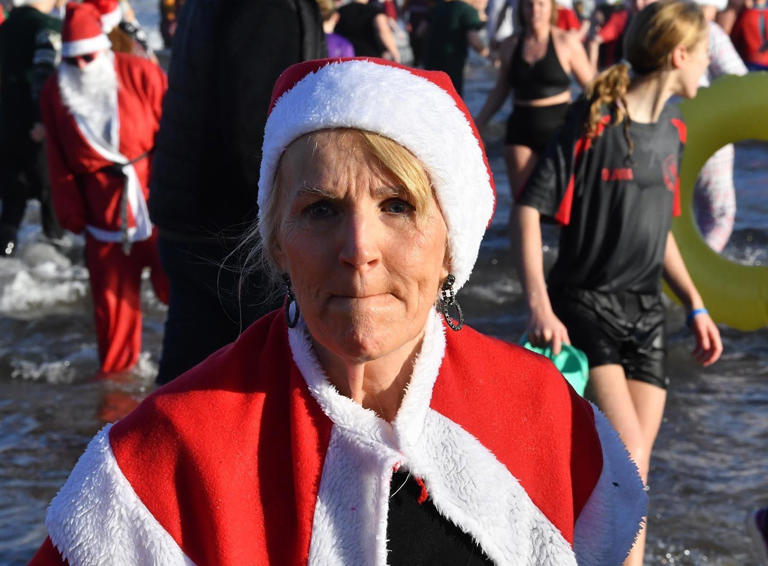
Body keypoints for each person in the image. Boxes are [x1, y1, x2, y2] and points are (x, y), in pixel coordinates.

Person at [29, 57, 647, 565]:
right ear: (276, 241)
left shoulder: (542, 413)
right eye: (321, 209)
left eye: (398, 206)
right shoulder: (164, 455)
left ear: (451, 243)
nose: (358, 250)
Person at [513, 2, 723, 564]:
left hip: (646, 315)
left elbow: (662, 233)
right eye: (704, 54)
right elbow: (528, 208)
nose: (708, 65)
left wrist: (696, 305)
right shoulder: (593, 122)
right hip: (584, 307)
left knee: (637, 472)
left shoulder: (673, 133)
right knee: (627, 457)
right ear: (680, 55)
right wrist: (539, 302)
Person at [148, 0, 327, 385]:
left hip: (195, 213)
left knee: (189, 384)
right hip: (234, 230)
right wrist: (288, 224)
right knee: (262, 389)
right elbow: (254, 131)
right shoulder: (268, 8)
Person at [39, 2, 168, 376]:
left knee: (190, 311)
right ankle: (114, 413)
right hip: (103, 223)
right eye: (71, 60)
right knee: (113, 330)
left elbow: (177, 142)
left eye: (88, 57)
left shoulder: (142, 74)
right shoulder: (54, 91)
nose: (80, 67)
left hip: (155, 209)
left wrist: (181, 205)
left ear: (104, 47)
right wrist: (71, 216)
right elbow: (57, 160)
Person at [474, 0, 593, 208]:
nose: (535, 11)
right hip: (520, 131)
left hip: (559, 133)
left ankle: (553, 241)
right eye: (529, 5)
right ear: (521, 8)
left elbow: (593, 88)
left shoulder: (566, 42)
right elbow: (501, 89)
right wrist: (478, 124)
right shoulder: (510, 45)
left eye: (541, 4)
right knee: (524, 204)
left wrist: (602, 122)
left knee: (563, 205)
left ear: (551, 8)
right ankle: (524, 241)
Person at [0, 0, 65, 257]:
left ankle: (5, 260)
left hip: (6, 125)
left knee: (11, 205)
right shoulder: (47, 27)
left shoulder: (5, 27)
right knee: (51, 200)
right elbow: (45, 74)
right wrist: (43, 119)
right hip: (37, 129)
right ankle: (58, 269)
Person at [692, 0, 746, 252]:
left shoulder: (661, 28)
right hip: (706, 133)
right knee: (719, 215)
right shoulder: (709, 32)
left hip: (663, 134)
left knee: (672, 212)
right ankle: (698, 275)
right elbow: (739, 81)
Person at [423, 0, 489, 95]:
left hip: (430, 61)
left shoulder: (438, 6)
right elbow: (474, 41)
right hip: (452, 65)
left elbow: (420, 31)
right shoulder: (468, 11)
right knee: (451, 99)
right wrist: (489, 55)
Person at [335, 0, 401, 60]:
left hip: (346, 59)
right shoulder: (374, 11)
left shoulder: (339, 12)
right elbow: (383, 31)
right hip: (371, 59)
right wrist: (395, 54)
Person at [730, 0, 768, 69]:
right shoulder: (746, 15)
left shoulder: (745, 15)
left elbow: (734, 38)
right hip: (756, 61)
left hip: (749, 60)